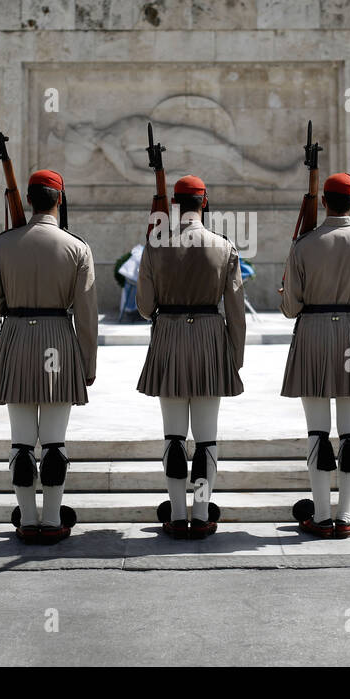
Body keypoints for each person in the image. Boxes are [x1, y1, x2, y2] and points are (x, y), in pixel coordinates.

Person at [0, 169, 97, 545]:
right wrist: (88, 365)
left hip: (15, 338)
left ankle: (26, 520)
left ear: (29, 200)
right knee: (54, 443)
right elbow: (86, 314)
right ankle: (51, 520)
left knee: (20, 443)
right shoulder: (77, 247)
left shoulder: (3, 244)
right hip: (57, 342)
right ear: (59, 201)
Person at [279, 173, 350, 539]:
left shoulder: (303, 245)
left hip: (312, 334)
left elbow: (291, 308)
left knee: (317, 433)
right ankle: (346, 515)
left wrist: (287, 290)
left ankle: (321, 514)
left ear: (324, 202)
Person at [137, 175, 246, 539]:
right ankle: (201, 512)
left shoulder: (156, 246)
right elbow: (236, 311)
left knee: (173, 437)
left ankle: (177, 513)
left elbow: (143, 306)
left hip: (169, 337)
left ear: (175, 205)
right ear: (205, 203)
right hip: (210, 340)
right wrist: (236, 356)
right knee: (206, 440)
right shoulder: (224, 246)